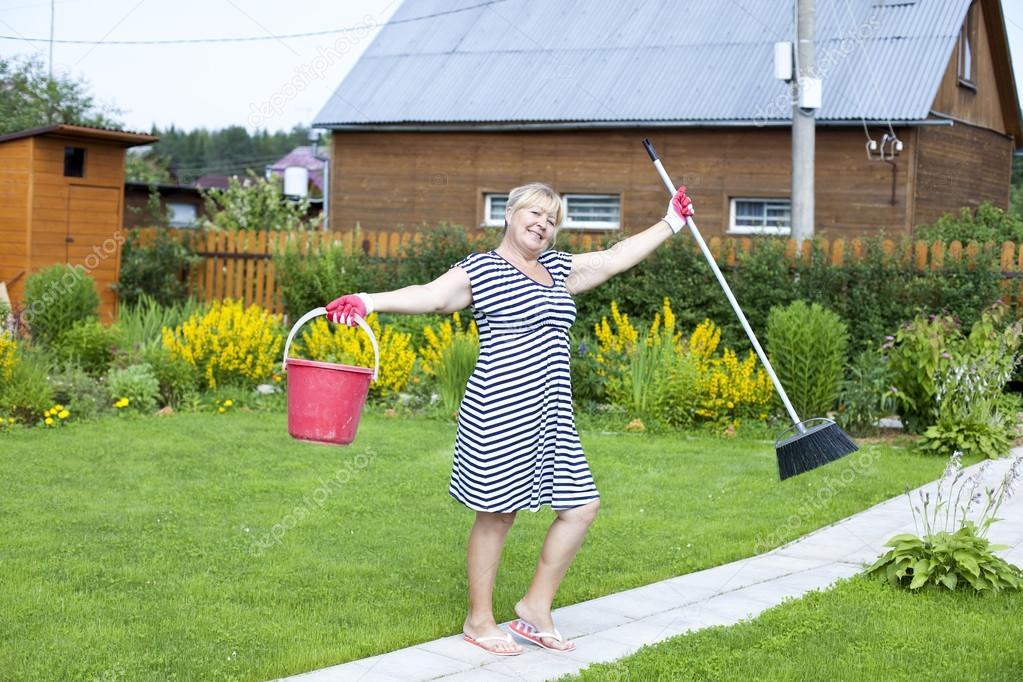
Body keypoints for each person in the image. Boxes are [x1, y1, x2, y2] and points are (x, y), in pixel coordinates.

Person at [326, 182, 694, 655]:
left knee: (581, 507)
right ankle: (478, 621)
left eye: (552, 219)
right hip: (500, 409)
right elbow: (432, 296)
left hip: (553, 414)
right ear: (509, 213)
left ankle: (535, 608)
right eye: (535, 213)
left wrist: (671, 222)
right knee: (498, 515)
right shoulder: (482, 269)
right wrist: (369, 300)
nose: (543, 224)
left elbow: (614, 257)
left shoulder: (557, 270)